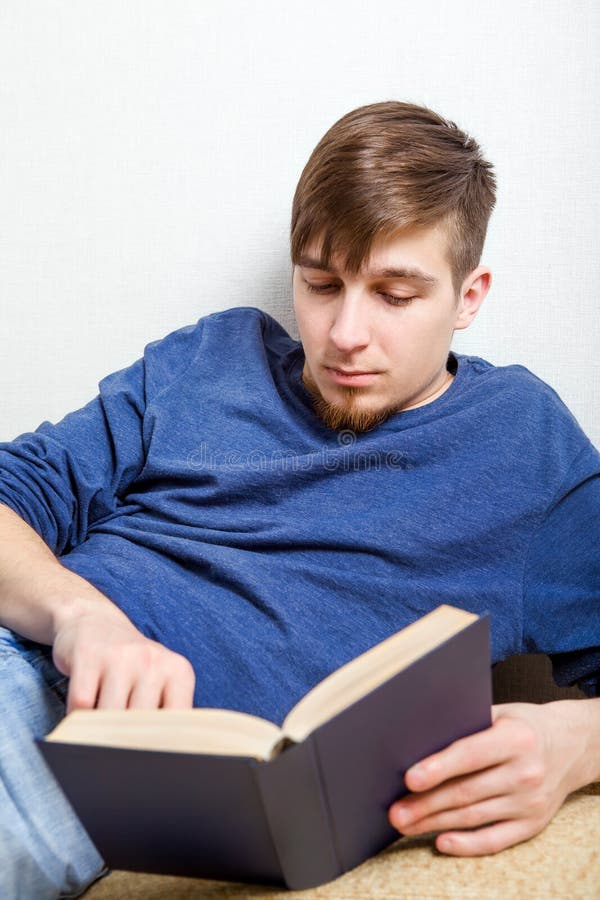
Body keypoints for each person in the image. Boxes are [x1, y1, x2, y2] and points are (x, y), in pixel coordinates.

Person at [1, 100, 599, 899]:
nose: (345, 332)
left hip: (111, 763)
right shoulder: (211, 357)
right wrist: (82, 617)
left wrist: (577, 743)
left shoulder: (524, 445)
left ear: (469, 296)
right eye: (322, 283)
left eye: (394, 294)